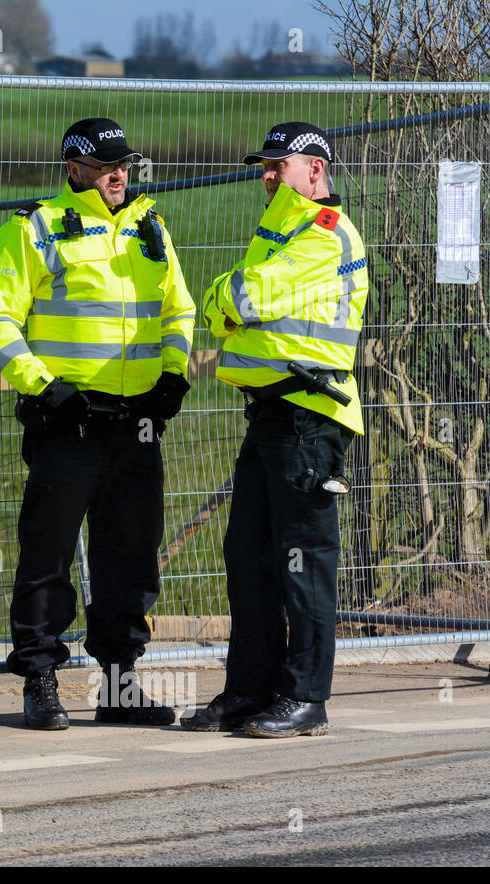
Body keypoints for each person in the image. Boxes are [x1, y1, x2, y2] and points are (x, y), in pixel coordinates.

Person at [0, 118, 196, 730]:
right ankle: (40, 681)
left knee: (131, 555)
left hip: (138, 425)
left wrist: (173, 376)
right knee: (47, 556)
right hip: (65, 423)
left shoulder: (150, 228)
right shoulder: (35, 228)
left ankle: (120, 686)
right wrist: (47, 388)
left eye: (124, 164)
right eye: (105, 167)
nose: (119, 174)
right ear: (74, 169)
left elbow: (179, 309)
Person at [182, 122, 368, 738]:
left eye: (276, 165)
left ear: (314, 170)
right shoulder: (278, 230)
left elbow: (242, 295)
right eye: (262, 165)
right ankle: (249, 692)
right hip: (269, 416)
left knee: (303, 562)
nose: (265, 175)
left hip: (310, 418)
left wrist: (228, 305)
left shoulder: (324, 232)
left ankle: (306, 696)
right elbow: (223, 303)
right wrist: (228, 305)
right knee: (249, 556)